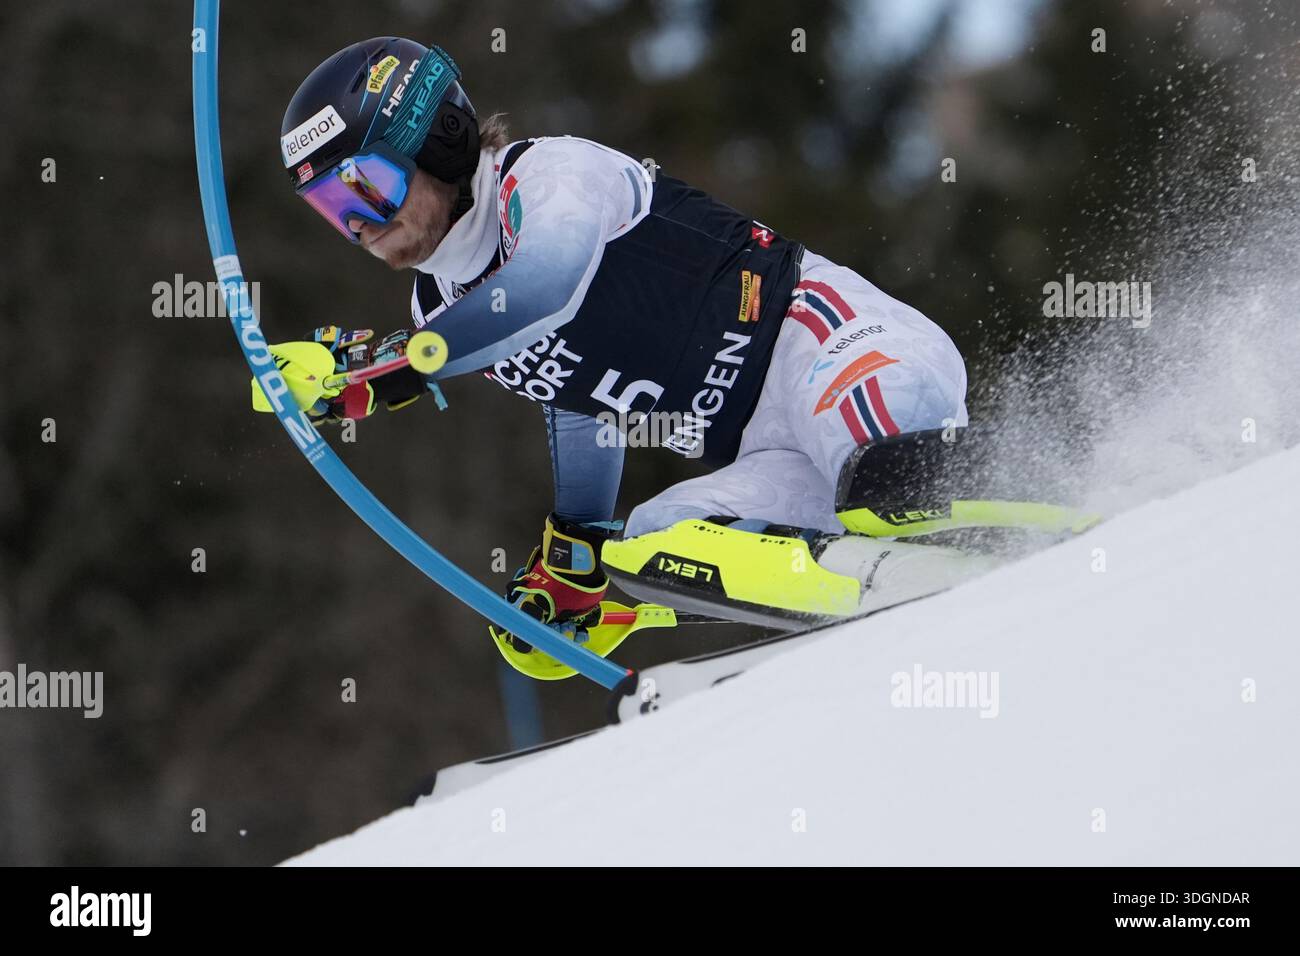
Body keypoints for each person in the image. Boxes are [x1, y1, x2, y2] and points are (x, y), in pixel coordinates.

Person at [277, 37, 1095, 641]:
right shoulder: (440, 307)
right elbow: (576, 393)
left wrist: (396, 366)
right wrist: (577, 547)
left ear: (441, 139)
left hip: (833, 348)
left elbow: (547, 288)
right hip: (767, 450)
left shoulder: (552, 178)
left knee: (882, 483)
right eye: (333, 210)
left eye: (369, 188)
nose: (361, 227)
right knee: (650, 551)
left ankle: (1113, 481)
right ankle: (901, 605)